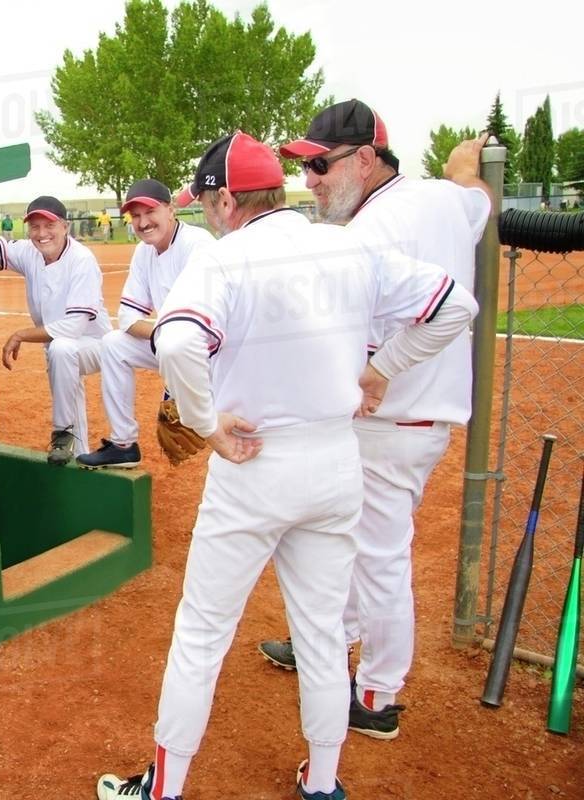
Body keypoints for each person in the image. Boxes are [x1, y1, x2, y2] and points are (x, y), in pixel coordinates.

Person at [94, 131, 478, 800]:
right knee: (324, 631)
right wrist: (380, 370)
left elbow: (178, 340)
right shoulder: (348, 242)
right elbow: (456, 307)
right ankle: (323, 783)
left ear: (225, 200)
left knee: (202, 633)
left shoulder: (225, 257)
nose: (207, 213)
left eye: (207, 202)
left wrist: (206, 422)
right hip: (335, 461)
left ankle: (166, 788)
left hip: (254, 463)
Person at [257, 99, 492, 740]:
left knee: (380, 557)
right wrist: (463, 165)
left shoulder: (367, 235)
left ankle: (379, 695)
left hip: (392, 418)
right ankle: (331, 641)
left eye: (321, 166)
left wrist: (381, 366)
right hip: (417, 419)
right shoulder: (442, 198)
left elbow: (450, 311)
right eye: (305, 169)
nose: (311, 181)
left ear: (365, 159)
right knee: (361, 548)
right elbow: (479, 202)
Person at [0, 152, 111, 465]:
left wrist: (20, 334)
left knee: (61, 351)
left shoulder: (81, 260)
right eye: (34, 226)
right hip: (63, 346)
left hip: (98, 346)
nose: (42, 233)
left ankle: (61, 433)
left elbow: (72, 328)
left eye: (49, 225)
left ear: (65, 226)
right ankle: (79, 455)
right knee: (65, 375)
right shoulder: (29, 252)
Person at [76, 179, 214, 468]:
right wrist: (165, 340)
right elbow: (127, 317)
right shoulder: (144, 252)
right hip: (172, 345)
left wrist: (174, 381)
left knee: (174, 341)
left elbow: (206, 322)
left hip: (214, 351)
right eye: (135, 216)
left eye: (150, 212)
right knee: (113, 344)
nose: (143, 222)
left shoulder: (197, 245)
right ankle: (123, 445)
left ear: (170, 209)